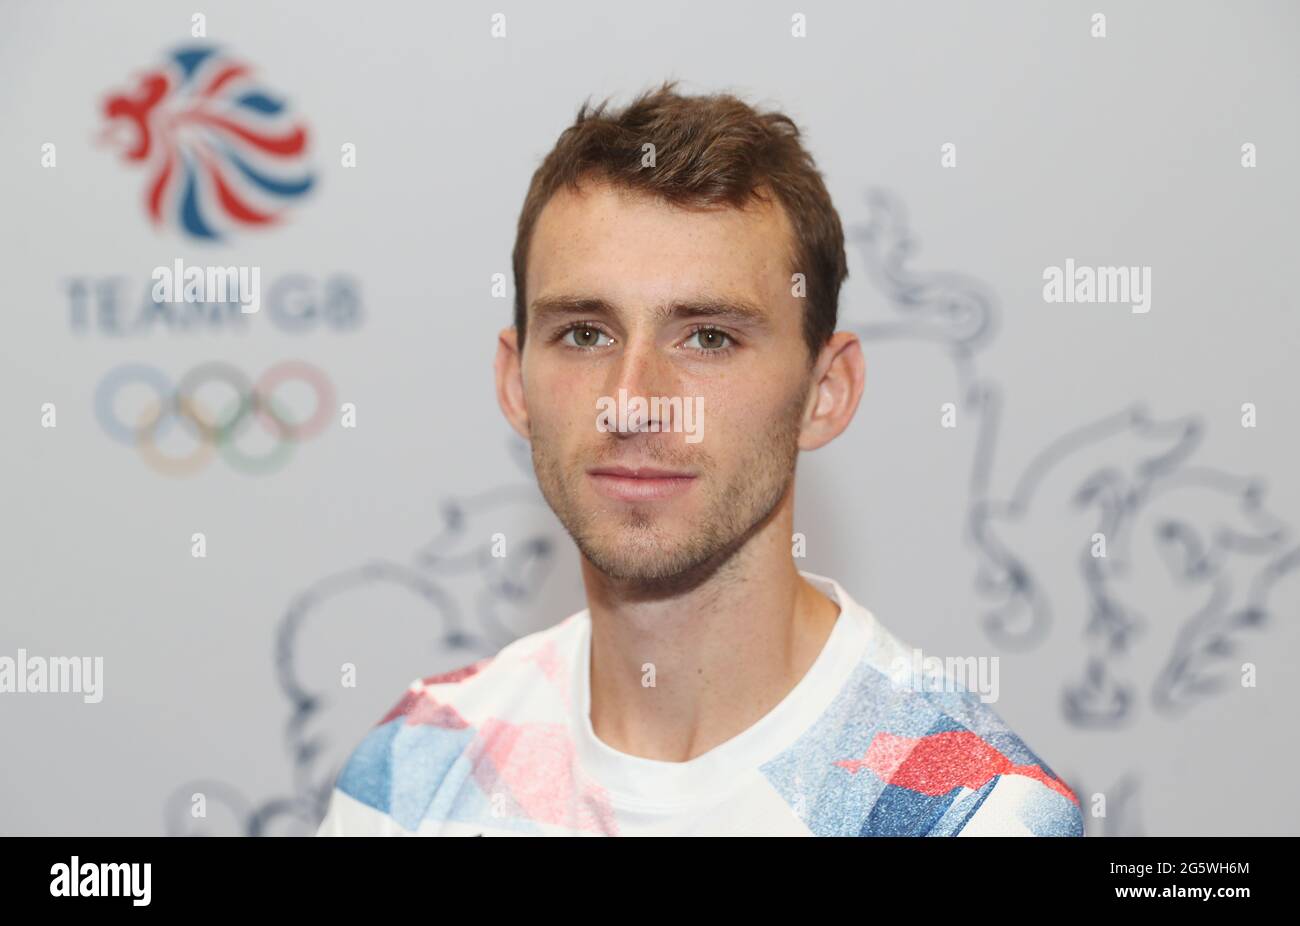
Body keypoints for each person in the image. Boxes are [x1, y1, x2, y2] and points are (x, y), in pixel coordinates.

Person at [317, 80, 1084, 836]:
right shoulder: (414, 773)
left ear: (826, 391)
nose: (633, 400)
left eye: (709, 337)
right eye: (586, 332)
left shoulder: (969, 812)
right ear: (515, 383)